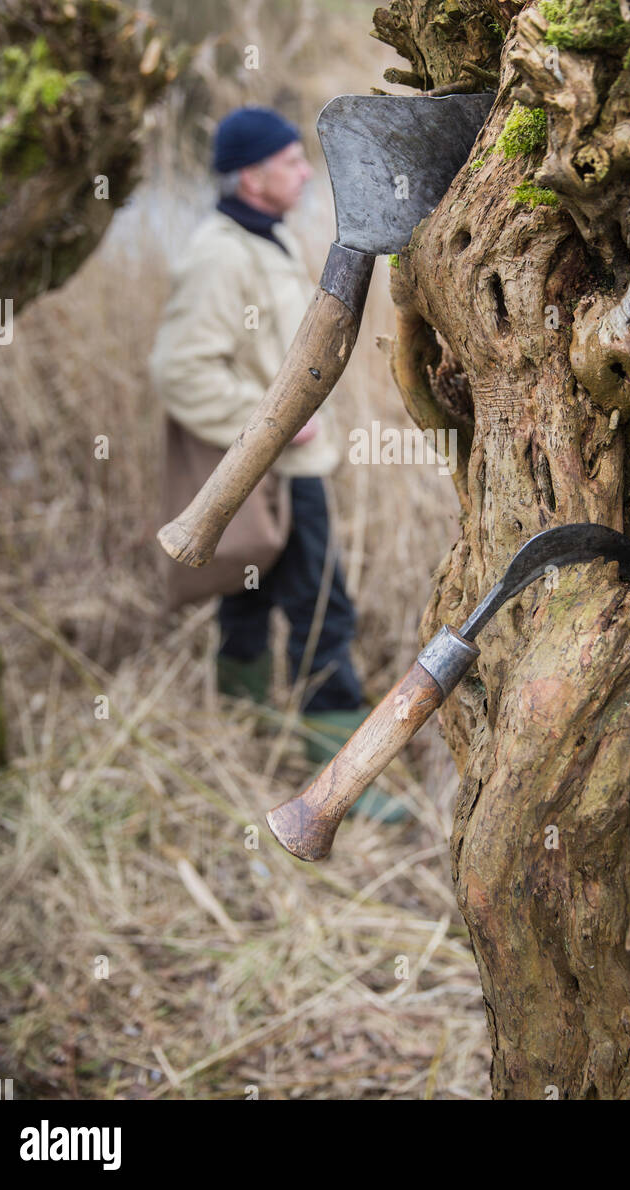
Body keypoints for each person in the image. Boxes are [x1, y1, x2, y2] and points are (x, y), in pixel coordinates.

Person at [149, 105, 406, 822]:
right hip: (279, 467)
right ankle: (346, 780)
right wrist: (270, 426)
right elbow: (179, 369)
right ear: (252, 173)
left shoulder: (266, 238)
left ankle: (246, 722)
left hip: (284, 467)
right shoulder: (219, 252)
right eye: (291, 160)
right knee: (325, 611)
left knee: (252, 591)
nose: (303, 171)